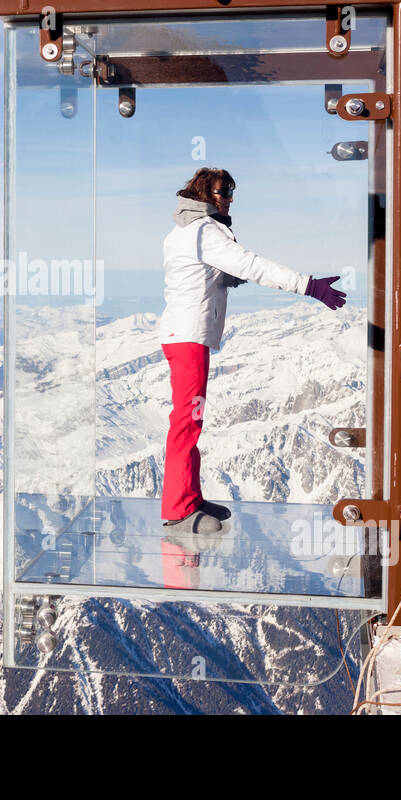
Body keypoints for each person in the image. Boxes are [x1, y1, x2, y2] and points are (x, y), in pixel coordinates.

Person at [158, 167, 347, 535]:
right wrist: (309, 286)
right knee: (186, 423)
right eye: (220, 191)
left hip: (183, 334)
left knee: (189, 421)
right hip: (189, 337)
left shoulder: (184, 231)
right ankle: (179, 509)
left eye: (231, 191)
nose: (228, 197)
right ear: (201, 194)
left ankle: (190, 499)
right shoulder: (204, 233)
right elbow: (251, 265)